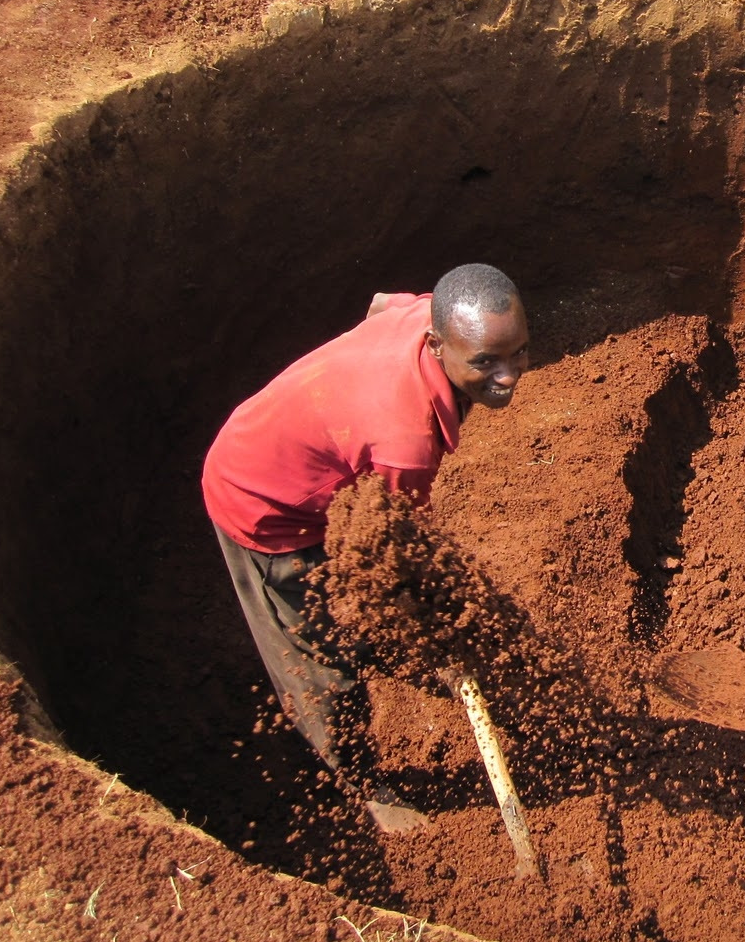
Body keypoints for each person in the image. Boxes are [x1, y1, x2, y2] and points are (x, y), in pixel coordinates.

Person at [202, 263, 529, 831]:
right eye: (484, 362)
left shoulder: (423, 311)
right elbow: (395, 554)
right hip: (263, 505)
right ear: (436, 344)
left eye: (518, 352)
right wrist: (435, 636)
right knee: (323, 657)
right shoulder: (406, 443)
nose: (509, 375)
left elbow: (382, 305)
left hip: (318, 477)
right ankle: (362, 784)